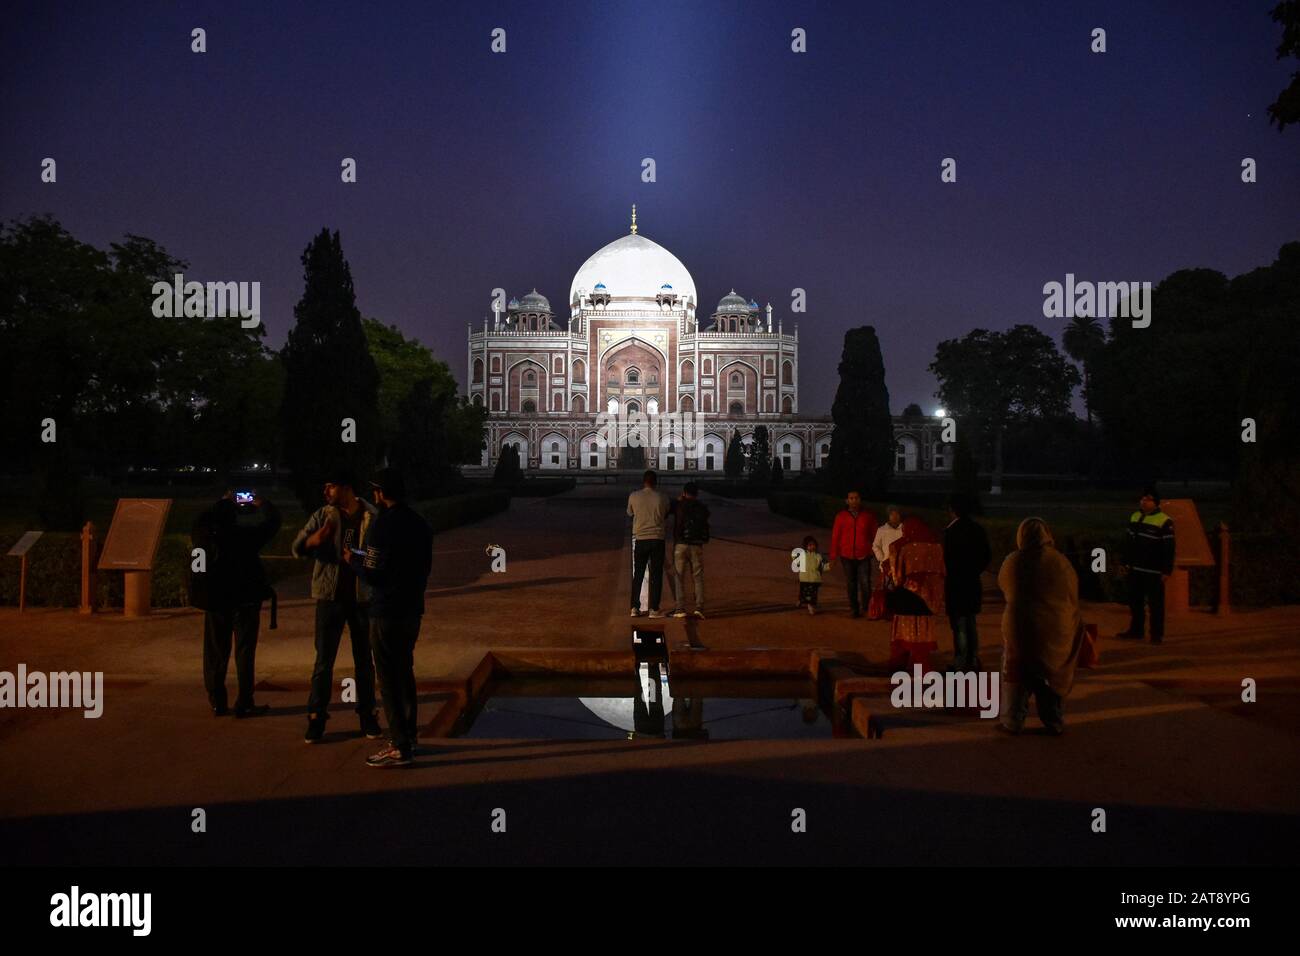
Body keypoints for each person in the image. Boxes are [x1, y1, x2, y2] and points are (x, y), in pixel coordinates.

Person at [344, 468, 433, 768]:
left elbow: (373, 574)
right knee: (404, 672)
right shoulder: (420, 523)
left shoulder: (382, 527)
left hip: (385, 611)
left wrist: (353, 561)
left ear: (381, 493)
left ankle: (398, 744)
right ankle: (409, 735)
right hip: (412, 609)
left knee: (388, 678)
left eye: (375, 491)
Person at [291, 468, 382, 743]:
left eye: (330, 486)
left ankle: (367, 715)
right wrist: (313, 540)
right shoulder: (323, 515)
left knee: (364, 661)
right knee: (323, 663)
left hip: (361, 599)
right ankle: (316, 718)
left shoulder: (371, 517)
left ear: (346, 488)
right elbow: (297, 547)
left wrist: (357, 557)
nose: (325, 492)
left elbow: (379, 559)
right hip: (329, 598)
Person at [190, 490, 281, 718]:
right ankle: (245, 701)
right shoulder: (246, 536)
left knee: (215, 653)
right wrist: (260, 502)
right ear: (235, 516)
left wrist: (220, 501)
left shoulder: (203, 536)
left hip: (216, 602)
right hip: (246, 602)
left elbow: (199, 521)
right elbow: (273, 522)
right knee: (245, 652)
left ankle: (217, 702)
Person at [997, 517, 1084, 735]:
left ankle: (1013, 721)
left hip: (1021, 629)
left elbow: (1005, 587)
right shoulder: (1061, 562)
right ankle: (1053, 721)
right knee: (1051, 676)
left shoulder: (1014, 561)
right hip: (1056, 630)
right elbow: (1072, 595)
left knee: (1018, 676)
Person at [1117, 486, 1175, 645]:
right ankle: (1136, 631)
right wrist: (1124, 562)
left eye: (1147, 499)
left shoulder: (1164, 520)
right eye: (1142, 498)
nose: (1143, 501)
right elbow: (1128, 542)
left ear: (1155, 503)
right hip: (1135, 568)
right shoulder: (1135, 516)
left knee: (1156, 605)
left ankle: (1156, 635)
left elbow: (1169, 548)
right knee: (1135, 602)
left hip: (1153, 570)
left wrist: (1166, 570)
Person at [886, 517, 945, 670]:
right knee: (922, 635)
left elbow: (897, 576)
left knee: (904, 633)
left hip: (908, 597)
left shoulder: (905, 547)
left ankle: (900, 665)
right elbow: (942, 573)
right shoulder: (937, 547)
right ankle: (921, 666)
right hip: (929, 599)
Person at [944, 495, 992, 671]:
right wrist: (975, 570)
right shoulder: (977, 529)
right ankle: (972, 658)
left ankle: (962, 660)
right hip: (972, 581)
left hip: (956, 583)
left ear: (953, 510)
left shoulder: (951, 532)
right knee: (970, 622)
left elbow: (946, 559)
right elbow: (986, 555)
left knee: (959, 624)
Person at [627, 470, 672, 619]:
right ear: (656, 482)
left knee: (638, 574)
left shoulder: (634, 496)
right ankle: (653, 609)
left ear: (643, 481)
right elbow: (666, 512)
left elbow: (630, 513)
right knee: (656, 575)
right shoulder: (662, 497)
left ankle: (634, 607)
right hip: (657, 539)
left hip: (641, 538)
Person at [829, 490, 878, 617]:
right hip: (847, 555)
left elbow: (875, 535)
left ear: (860, 499)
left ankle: (866, 607)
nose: (854, 500)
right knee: (851, 583)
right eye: (851, 498)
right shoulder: (841, 516)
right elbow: (835, 537)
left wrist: (877, 551)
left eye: (856, 498)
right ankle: (854, 608)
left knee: (865, 583)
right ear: (847, 500)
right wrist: (833, 555)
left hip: (864, 554)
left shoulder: (868, 516)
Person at [670, 482, 709, 619]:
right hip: (697, 544)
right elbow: (706, 518)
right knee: (697, 577)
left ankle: (680, 608)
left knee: (679, 576)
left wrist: (680, 499)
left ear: (684, 493)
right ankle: (699, 607)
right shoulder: (702, 507)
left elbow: (670, 507)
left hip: (681, 544)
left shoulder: (679, 505)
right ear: (697, 494)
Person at [869, 506, 905, 619]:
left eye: (897, 514)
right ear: (888, 516)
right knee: (888, 589)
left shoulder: (905, 529)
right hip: (887, 566)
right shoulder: (882, 530)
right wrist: (882, 558)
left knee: (901, 589)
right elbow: (876, 546)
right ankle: (888, 612)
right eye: (892, 514)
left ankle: (899, 611)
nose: (895, 517)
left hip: (902, 566)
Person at [795, 535, 831, 615]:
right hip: (804, 578)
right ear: (806, 546)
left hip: (814, 579)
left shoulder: (819, 556)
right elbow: (797, 564)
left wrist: (829, 566)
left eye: (813, 545)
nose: (812, 546)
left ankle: (810, 606)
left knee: (812, 594)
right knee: (803, 592)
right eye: (810, 545)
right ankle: (801, 600)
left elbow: (823, 566)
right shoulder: (802, 555)